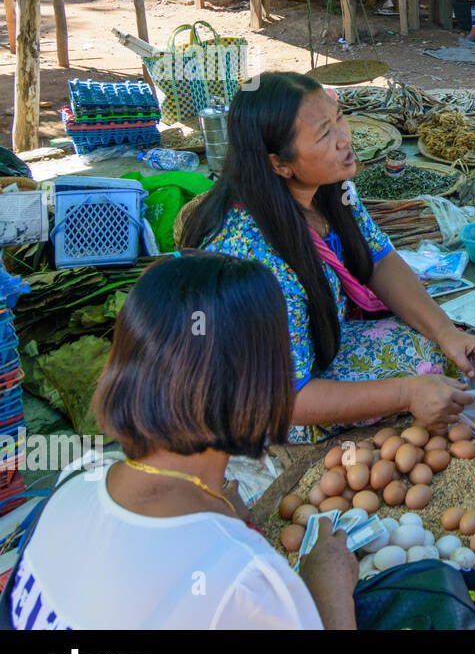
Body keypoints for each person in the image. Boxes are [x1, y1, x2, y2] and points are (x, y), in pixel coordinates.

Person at [6, 253, 358, 629]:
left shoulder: (76, 480)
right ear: (259, 386)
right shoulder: (246, 581)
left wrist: (217, 522)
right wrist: (327, 590)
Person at [181, 73, 475, 445]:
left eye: (339, 117)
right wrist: (406, 394)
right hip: (265, 400)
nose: (344, 137)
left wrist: (446, 331)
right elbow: (287, 398)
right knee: (424, 382)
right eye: (324, 134)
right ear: (279, 164)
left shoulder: (333, 189)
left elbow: (378, 258)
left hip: (319, 348)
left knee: (445, 352)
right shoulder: (257, 260)